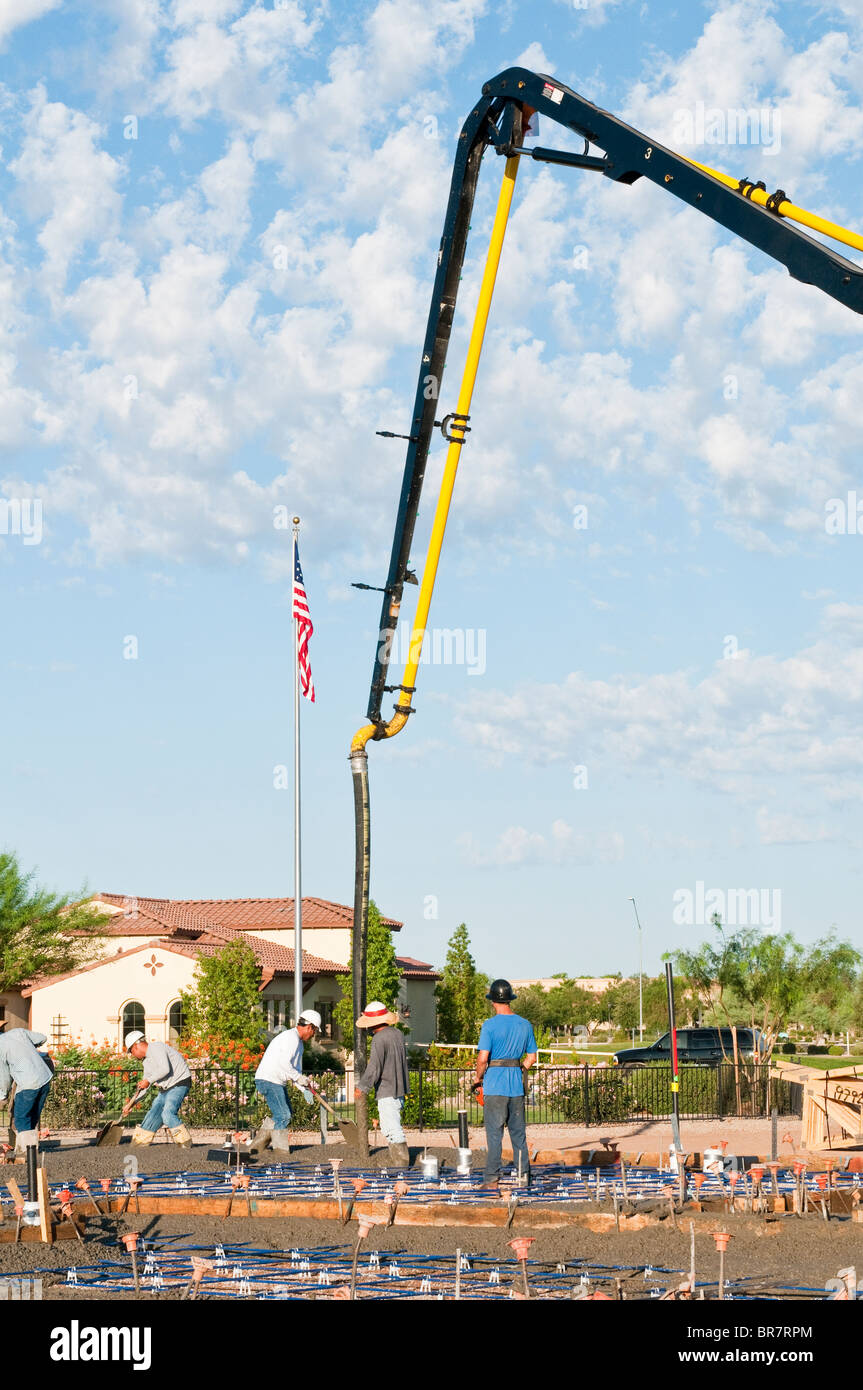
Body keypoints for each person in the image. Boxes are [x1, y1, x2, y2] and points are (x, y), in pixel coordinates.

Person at [473, 980, 537, 1189]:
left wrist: (478, 1078)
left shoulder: (490, 1025)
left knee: (494, 1135)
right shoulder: (525, 1024)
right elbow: (532, 1057)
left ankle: (491, 1180)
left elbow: (483, 1058)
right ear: (510, 999)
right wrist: (521, 1070)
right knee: (518, 1135)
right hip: (516, 1087)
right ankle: (523, 1178)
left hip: (495, 1086)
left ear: (493, 1001)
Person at [251, 1010, 321, 1153]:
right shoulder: (291, 1038)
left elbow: (294, 1072)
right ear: (309, 1027)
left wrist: (304, 1089)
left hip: (274, 1080)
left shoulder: (298, 1044)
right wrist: (298, 1078)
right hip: (269, 1080)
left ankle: (256, 1147)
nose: (314, 1035)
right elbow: (285, 1065)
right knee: (284, 1115)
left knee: (283, 1114)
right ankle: (280, 1151)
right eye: (314, 1031)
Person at [354, 1002, 410, 1166]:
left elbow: (374, 1067)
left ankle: (400, 1163)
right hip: (399, 1089)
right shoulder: (397, 1034)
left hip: (387, 1089)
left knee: (391, 1129)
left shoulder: (379, 1038)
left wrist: (361, 1087)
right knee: (393, 1125)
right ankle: (398, 1161)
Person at [121, 1032, 193, 1147]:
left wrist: (149, 1080)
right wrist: (132, 1103)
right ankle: (137, 1146)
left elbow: (165, 1068)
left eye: (131, 1051)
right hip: (165, 1088)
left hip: (179, 1083)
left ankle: (185, 1144)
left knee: (167, 1114)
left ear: (136, 1046)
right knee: (151, 1117)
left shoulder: (157, 1047)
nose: (132, 1055)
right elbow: (145, 1086)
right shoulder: (146, 1062)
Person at [0, 1022, 55, 1154]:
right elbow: (42, 1038)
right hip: (45, 1078)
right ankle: (32, 1149)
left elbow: (4, 1077)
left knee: (21, 1118)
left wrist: (3, 1095)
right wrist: (27, 1047)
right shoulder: (18, 1032)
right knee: (32, 1117)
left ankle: (26, 1153)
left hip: (28, 1084)